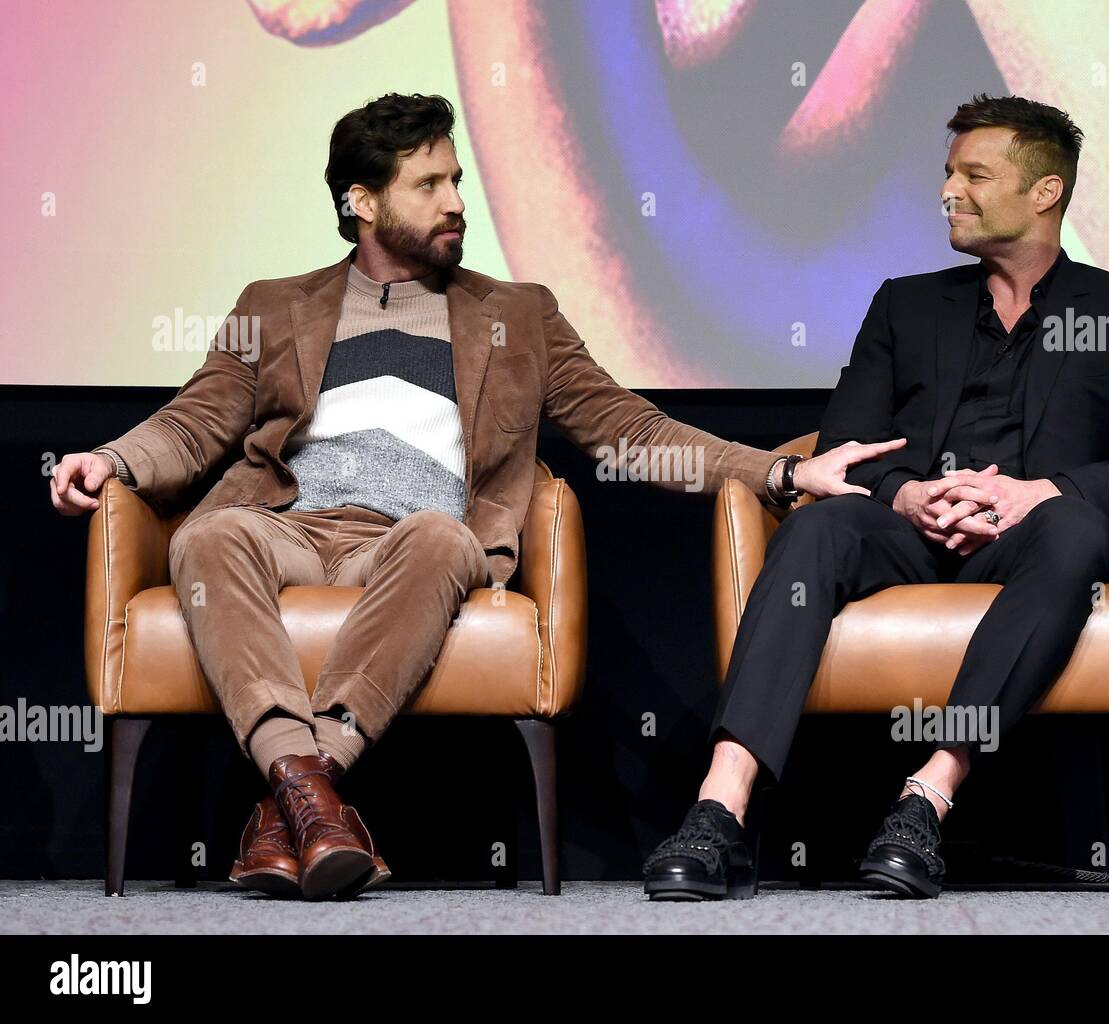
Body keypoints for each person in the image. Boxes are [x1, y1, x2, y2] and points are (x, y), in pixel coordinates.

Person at [49, 93, 896, 900]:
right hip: (291, 528)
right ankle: (312, 793)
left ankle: (294, 802)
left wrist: (780, 473)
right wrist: (110, 458)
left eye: (457, 180)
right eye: (430, 184)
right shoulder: (273, 307)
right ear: (362, 201)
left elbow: (627, 429)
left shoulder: (518, 315)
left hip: (413, 540)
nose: (457, 200)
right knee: (206, 538)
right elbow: (195, 424)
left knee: (440, 537)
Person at [642, 94, 1109, 900]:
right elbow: (844, 447)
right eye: (947, 174)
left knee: (1076, 528)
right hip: (910, 540)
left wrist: (1039, 492)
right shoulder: (906, 304)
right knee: (819, 529)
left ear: (1045, 192)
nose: (949, 191)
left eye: (975, 175)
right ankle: (717, 810)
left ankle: (926, 795)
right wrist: (906, 496)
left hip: (1031, 544)